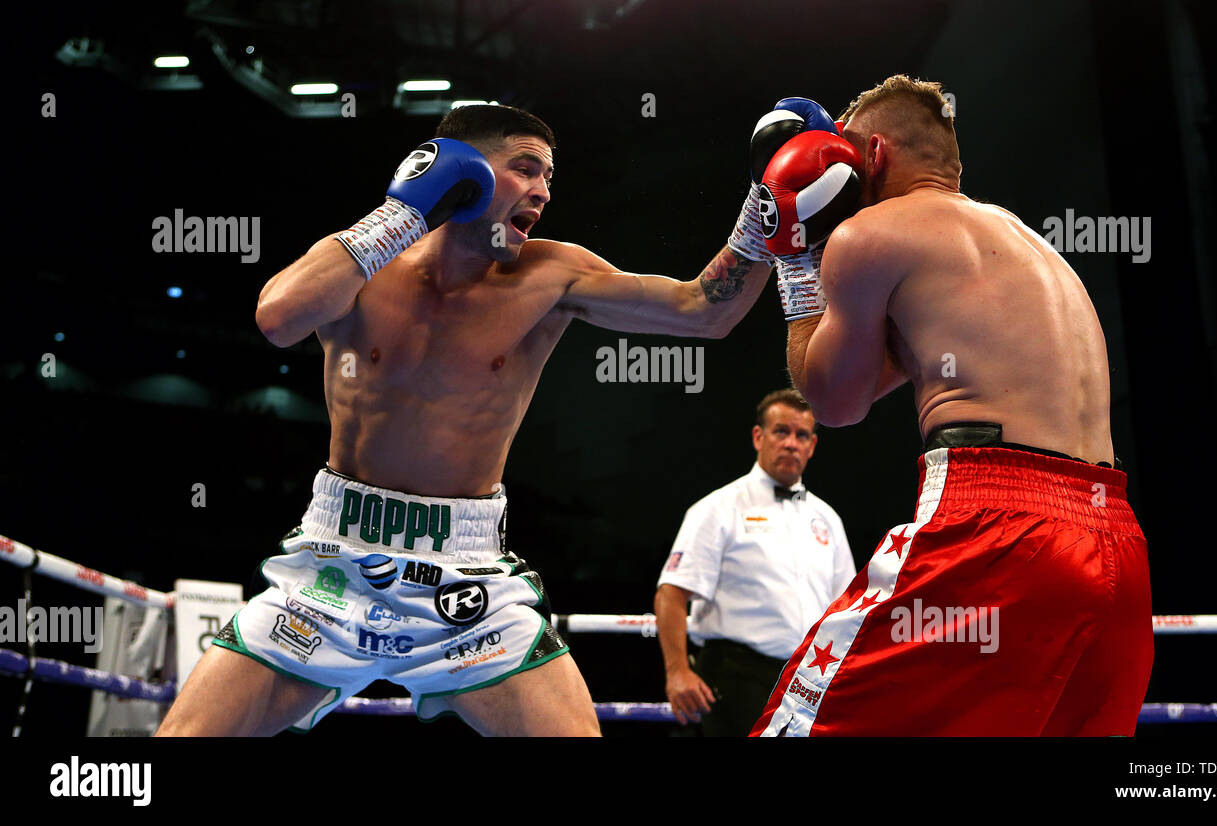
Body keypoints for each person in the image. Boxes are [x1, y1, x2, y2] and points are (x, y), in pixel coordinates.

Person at [155, 103, 782, 737]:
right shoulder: (358, 268)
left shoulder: (550, 273)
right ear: (462, 171)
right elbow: (278, 316)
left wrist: (768, 202)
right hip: (329, 569)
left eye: (548, 178)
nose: (542, 191)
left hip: (468, 582)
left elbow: (703, 310)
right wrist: (406, 212)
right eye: (526, 168)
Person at [749, 77, 1153, 736]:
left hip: (994, 530)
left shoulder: (871, 236)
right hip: (1116, 549)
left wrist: (793, 252)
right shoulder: (1033, 250)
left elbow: (831, 399)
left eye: (844, 156)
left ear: (872, 154)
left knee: (798, 727)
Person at [653, 389, 855, 736]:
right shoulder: (717, 508)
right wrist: (676, 671)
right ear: (758, 437)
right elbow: (670, 594)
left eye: (801, 435)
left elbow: (847, 608)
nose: (791, 443)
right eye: (781, 431)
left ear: (812, 446)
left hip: (807, 679)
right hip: (734, 675)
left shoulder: (828, 519)